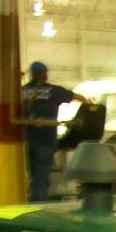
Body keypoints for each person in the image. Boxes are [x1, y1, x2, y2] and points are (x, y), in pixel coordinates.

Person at [20, 62, 87, 201]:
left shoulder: (22, 91)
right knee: (40, 179)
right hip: (44, 142)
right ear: (45, 74)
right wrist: (88, 108)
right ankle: (38, 211)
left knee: (29, 178)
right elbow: (79, 98)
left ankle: (29, 202)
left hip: (24, 142)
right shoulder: (54, 91)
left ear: (31, 74)